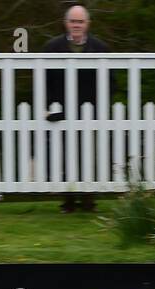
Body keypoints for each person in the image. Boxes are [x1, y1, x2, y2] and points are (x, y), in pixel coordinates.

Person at [43, 5, 109, 212]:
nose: (76, 25)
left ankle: (89, 201)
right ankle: (68, 202)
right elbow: (43, 80)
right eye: (73, 21)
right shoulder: (52, 47)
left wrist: (98, 106)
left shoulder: (100, 48)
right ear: (66, 23)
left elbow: (109, 81)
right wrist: (49, 106)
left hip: (90, 112)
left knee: (88, 156)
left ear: (87, 24)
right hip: (60, 112)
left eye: (80, 22)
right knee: (64, 157)